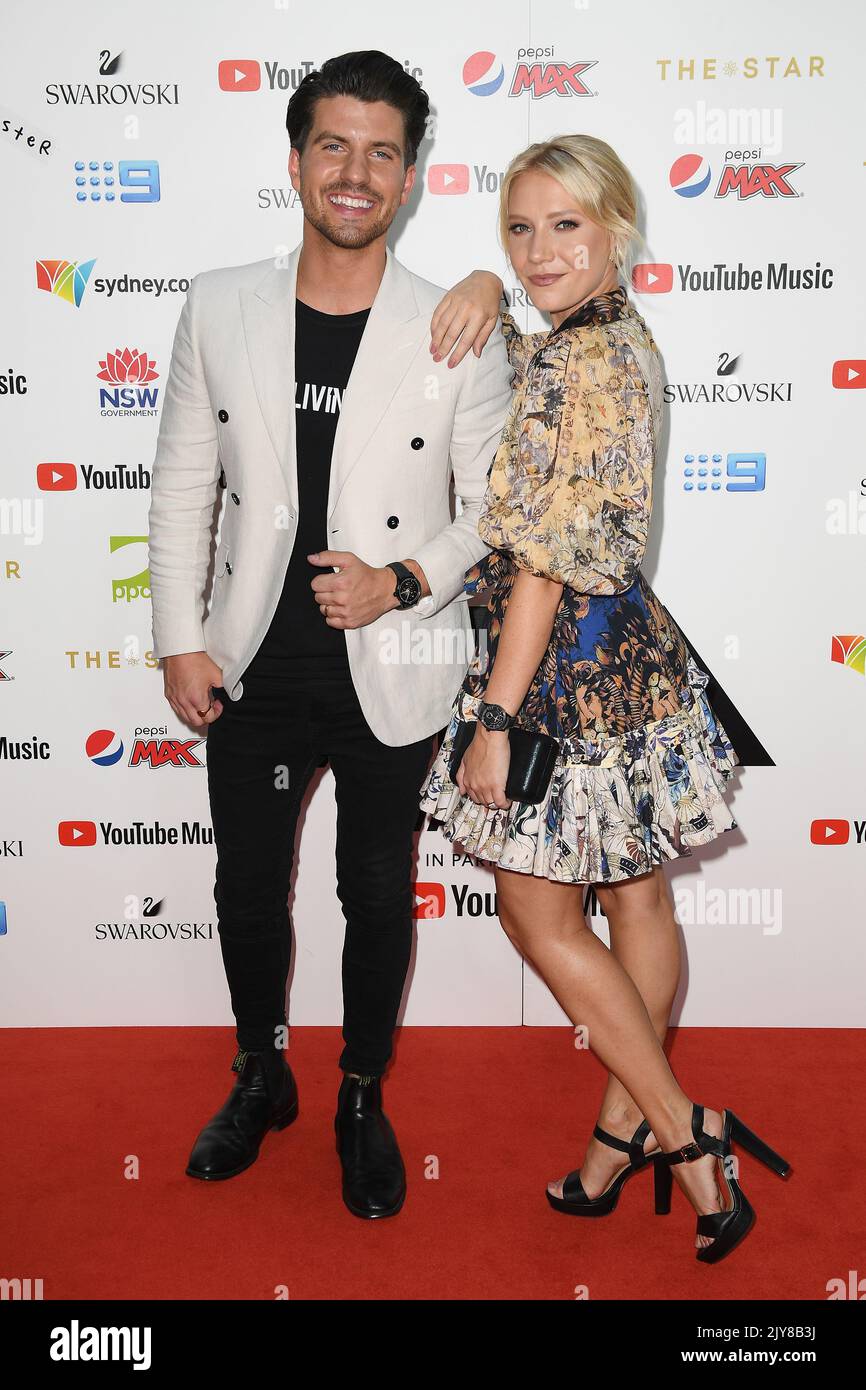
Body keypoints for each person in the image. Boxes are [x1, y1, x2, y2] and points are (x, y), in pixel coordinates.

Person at [147, 50, 512, 1219]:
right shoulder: (217, 302)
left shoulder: (450, 326)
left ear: (409, 177)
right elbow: (181, 484)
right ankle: (262, 1072)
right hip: (252, 654)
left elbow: (491, 512)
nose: (355, 173)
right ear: (297, 158)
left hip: (392, 658)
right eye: (333, 145)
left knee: (372, 887)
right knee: (248, 887)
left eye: (382, 152)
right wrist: (177, 638)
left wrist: (401, 579)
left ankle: (360, 1091)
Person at [419, 134, 790, 1263]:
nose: (537, 250)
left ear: (617, 230)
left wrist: (493, 719)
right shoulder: (613, 337)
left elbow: (534, 562)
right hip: (633, 657)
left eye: (563, 227)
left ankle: (686, 1139)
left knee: (539, 914)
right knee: (635, 903)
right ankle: (616, 1135)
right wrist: (487, 285)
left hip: (561, 679)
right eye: (517, 229)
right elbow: (547, 364)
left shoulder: (580, 362)